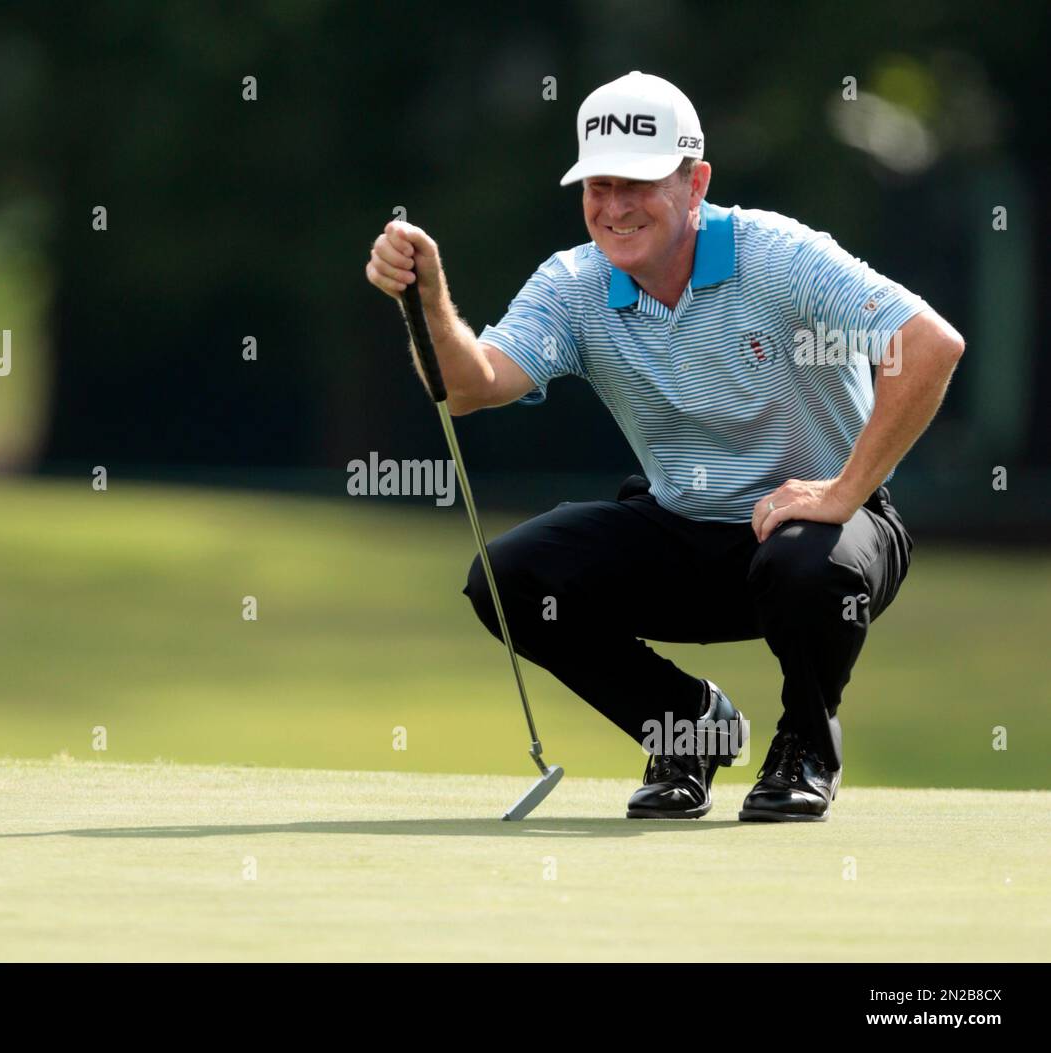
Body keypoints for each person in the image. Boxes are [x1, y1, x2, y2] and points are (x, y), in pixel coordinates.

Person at [364, 71, 964, 822]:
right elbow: (472, 383)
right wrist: (428, 301)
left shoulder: (775, 256)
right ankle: (687, 731)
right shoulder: (575, 285)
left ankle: (805, 746)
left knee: (804, 558)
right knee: (511, 578)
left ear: (695, 181)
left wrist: (842, 490)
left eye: (640, 184)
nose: (615, 208)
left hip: (829, 542)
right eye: (599, 185)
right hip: (686, 531)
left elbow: (929, 344)